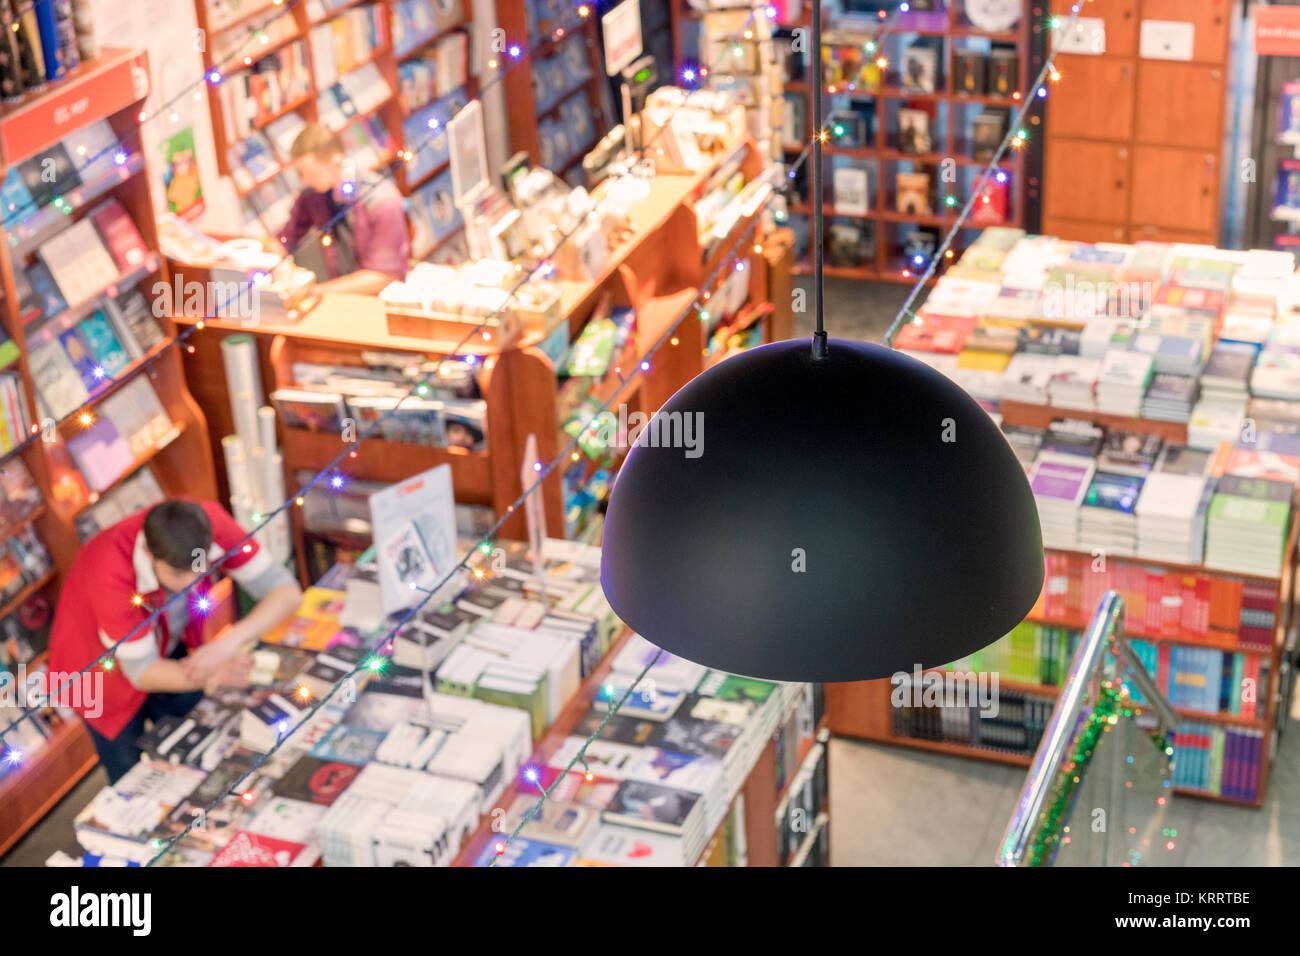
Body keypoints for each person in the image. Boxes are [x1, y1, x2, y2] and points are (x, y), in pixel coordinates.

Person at [48, 499, 303, 783]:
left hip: (165, 646)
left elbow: (287, 593)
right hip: (96, 673)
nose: (193, 584)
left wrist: (227, 644)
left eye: (200, 567)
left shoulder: (207, 523)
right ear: (148, 552)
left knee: (196, 746)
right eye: (179, 574)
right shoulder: (110, 572)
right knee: (130, 774)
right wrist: (214, 673)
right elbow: (142, 673)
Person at [273, 123, 411, 295]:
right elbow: (287, 238)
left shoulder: (382, 200)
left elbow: (383, 276)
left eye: (311, 173)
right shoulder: (314, 193)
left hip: (383, 302)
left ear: (336, 160)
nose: (305, 181)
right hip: (342, 296)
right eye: (301, 173)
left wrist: (314, 291)